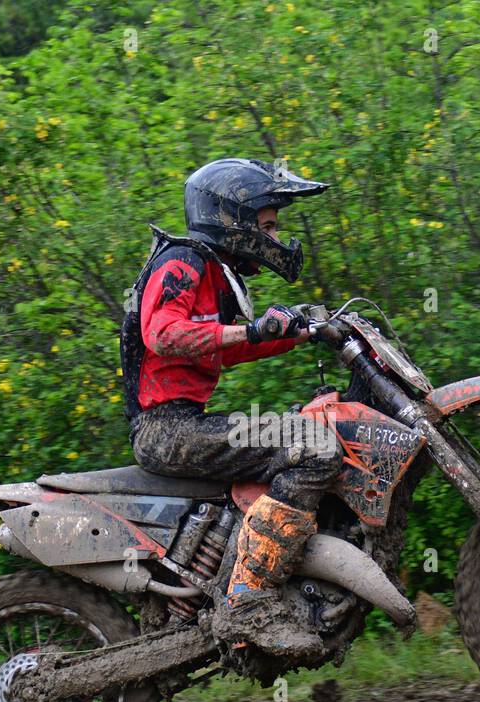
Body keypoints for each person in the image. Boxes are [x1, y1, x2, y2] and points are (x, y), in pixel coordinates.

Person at [119, 157, 340, 659]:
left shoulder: (213, 273)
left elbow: (225, 347)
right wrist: (255, 328)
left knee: (307, 433)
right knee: (314, 446)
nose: (277, 236)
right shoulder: (183, 262)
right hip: (166, 428)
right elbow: (164, 334)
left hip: (181, 424)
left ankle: (248, 579)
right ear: (233, 219)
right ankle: (246, 601)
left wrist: (303, 332)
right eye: (268, 224)